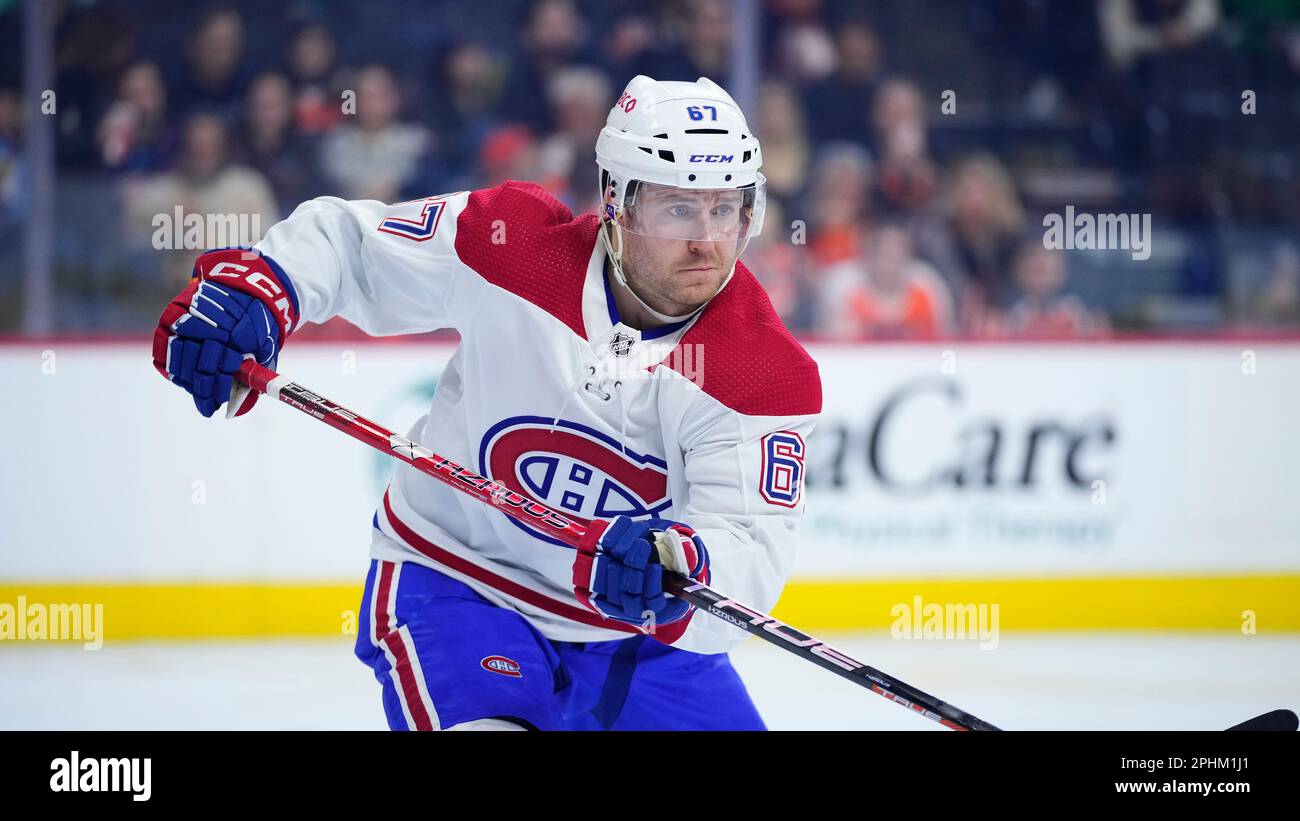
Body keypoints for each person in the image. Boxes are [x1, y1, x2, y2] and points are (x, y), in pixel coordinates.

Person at [151, 75, 821, 731]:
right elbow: (356, 252)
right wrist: (264, 287)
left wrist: (674, 563)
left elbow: (746, 550)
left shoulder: (764, 371)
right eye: (679, 207)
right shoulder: (515, 244)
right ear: (618, 200)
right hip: (461, 581)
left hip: (631, 636)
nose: (708, 240)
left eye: (726, 208)